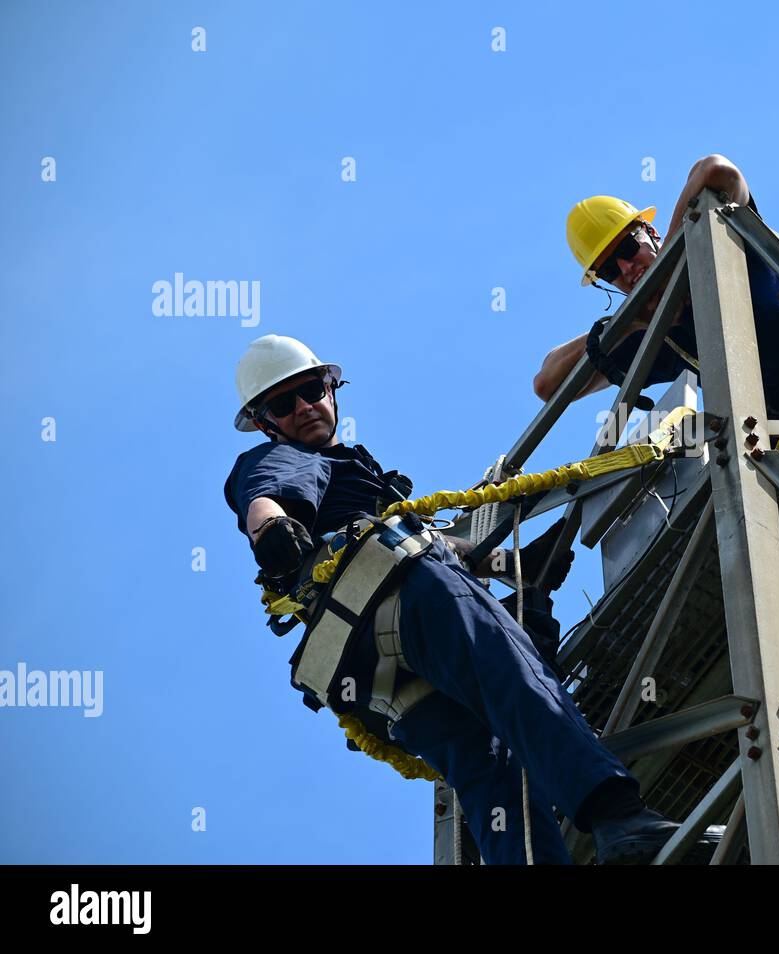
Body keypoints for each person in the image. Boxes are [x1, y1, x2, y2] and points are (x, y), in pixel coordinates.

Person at [223, 334, 686, 865]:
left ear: (331, 388)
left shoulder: (356, 481)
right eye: (285, 403)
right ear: (265, 422)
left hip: (383, 677)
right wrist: (273, 529)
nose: (305, 407)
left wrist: (513, 565)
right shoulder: (283, 459)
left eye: (311, 390)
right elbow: (264, 497)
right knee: (512, 671)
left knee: (493, 772)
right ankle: (619, 817)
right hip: (407, 602)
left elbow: (428, 542)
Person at [534, 154, 779, 507]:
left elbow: (717, 170)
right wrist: (621, 326)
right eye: (609, 271)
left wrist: (673, 261)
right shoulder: (658, 332)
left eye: (629, 247)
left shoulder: (721, 238)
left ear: (649, 231)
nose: (626, 268)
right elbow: (548, 383)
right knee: (749, 500)